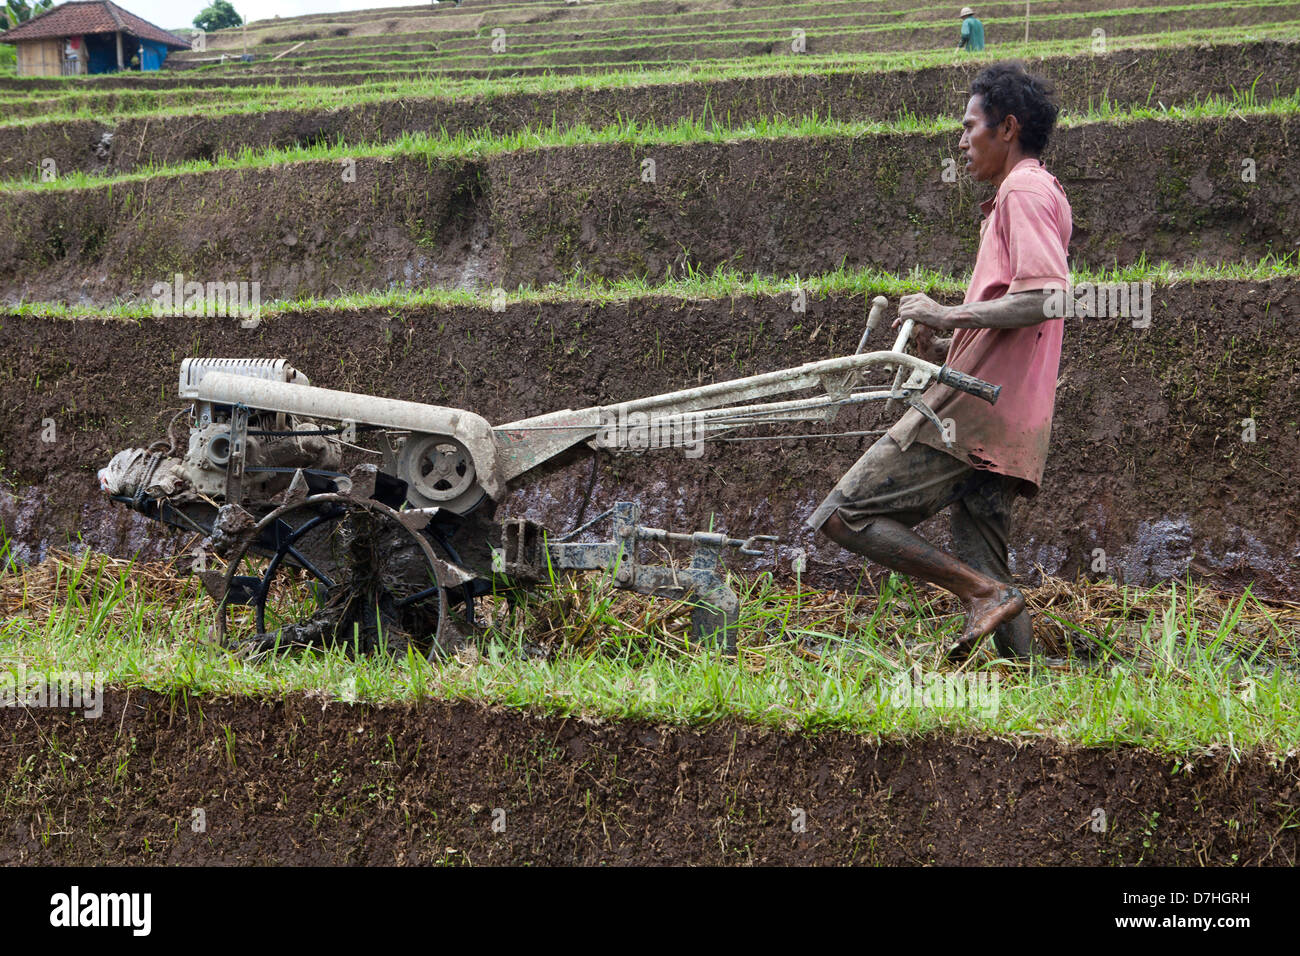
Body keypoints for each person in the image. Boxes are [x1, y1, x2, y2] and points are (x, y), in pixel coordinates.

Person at [808, 62, 1071, 661]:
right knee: (984, 550)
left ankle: (980, 595)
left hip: (969, 412)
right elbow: (1016, 309)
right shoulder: (1035, 192)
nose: (960, 140)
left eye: (969, 125)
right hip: (1009, 415)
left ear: (1006, 128)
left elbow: (1047, 298)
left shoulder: (1023, 192)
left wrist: (948, 315)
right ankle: (1026, 682)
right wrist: (943, 343)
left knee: (844, 514)